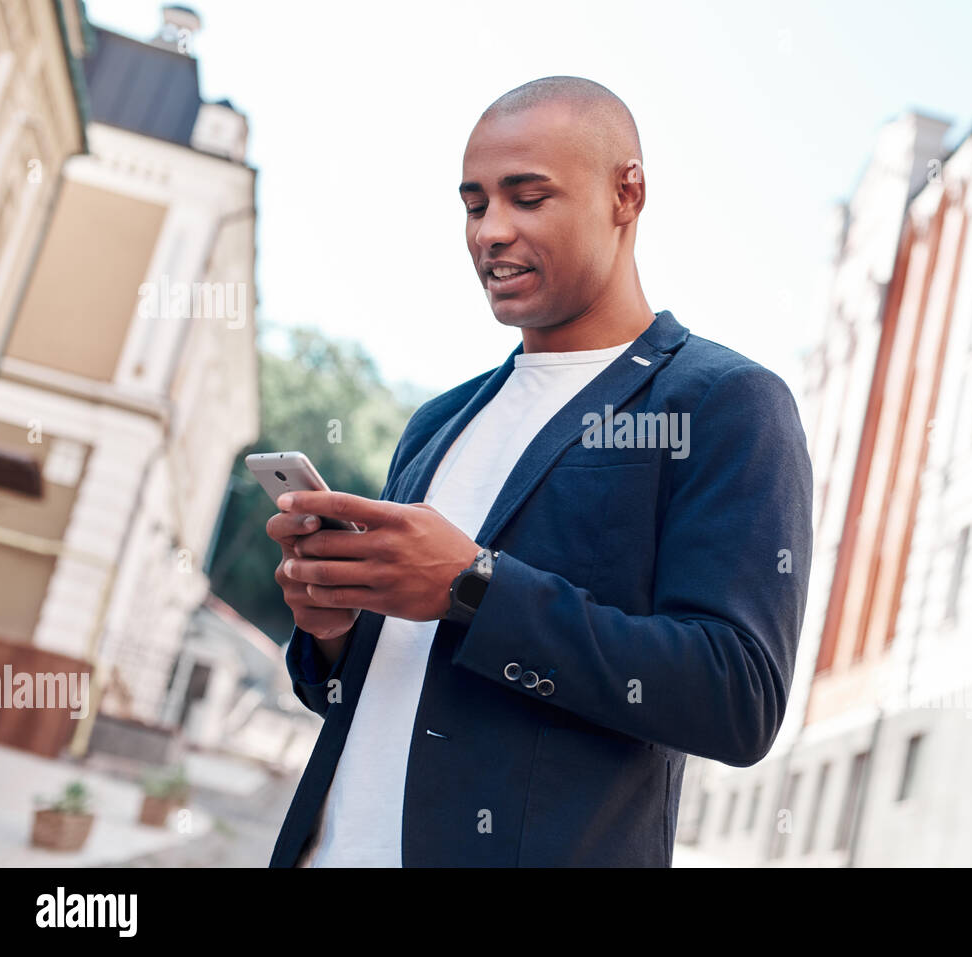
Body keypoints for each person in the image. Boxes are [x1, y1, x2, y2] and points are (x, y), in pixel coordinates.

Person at [266, 75, 813, 867]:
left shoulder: (725, 402)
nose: (490, 231)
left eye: (528, 198)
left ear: (627, 195)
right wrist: (329, 630)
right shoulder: (437, 423)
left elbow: (739, 698)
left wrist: (475, 585)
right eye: (475, 204)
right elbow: (364, 697)